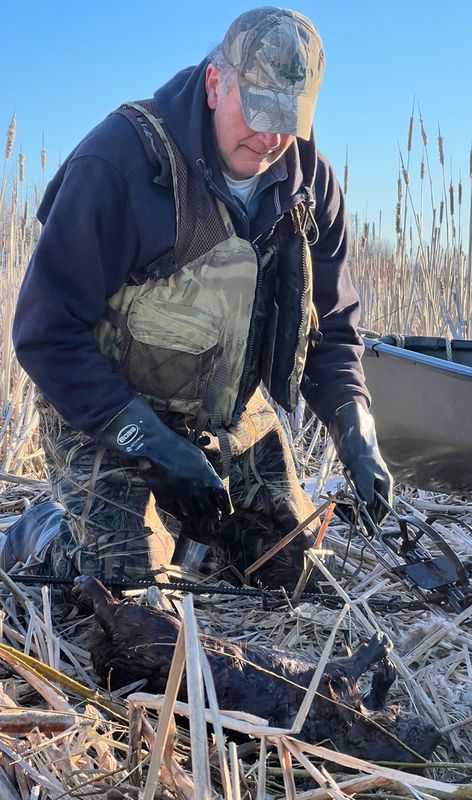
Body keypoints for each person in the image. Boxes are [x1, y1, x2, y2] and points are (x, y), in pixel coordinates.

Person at [11, 7, 393, 590]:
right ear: (216, 84)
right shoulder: (119, 161)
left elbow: (333, 331)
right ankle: (43, 530)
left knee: (291, 570)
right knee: (125, 583)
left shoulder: (310, 187)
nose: (269, 139)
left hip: (222, 407)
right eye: (258, 113)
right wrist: (153, 443)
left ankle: (188, 531)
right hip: (106, 409)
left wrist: (356, 432)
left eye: (289, 122)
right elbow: (45, 333)